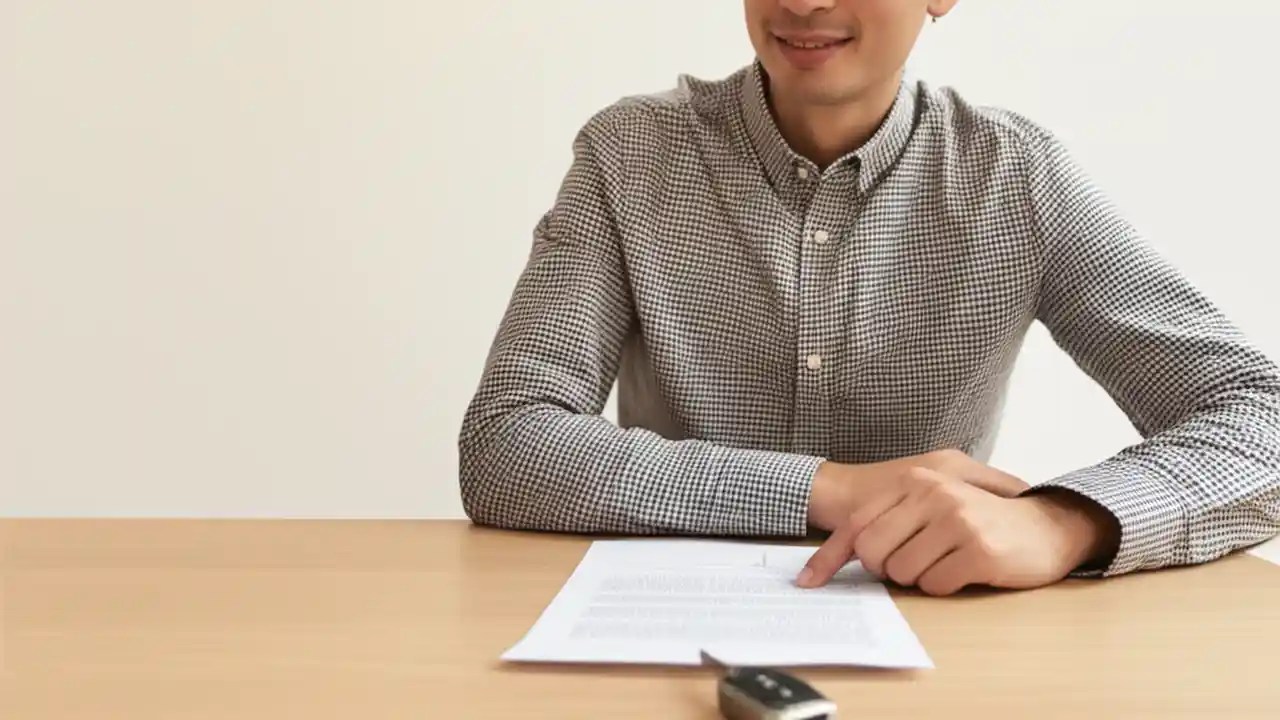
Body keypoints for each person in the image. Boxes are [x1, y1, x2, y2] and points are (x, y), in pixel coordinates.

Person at [457, 0, 1280, 596]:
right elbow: (506, 442)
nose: (803, 2)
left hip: (935, 622)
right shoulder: (629, 154)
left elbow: (1260, 419)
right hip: (657, 620)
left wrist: (1064, 523)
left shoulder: (1014, 176)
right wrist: (835, 490)